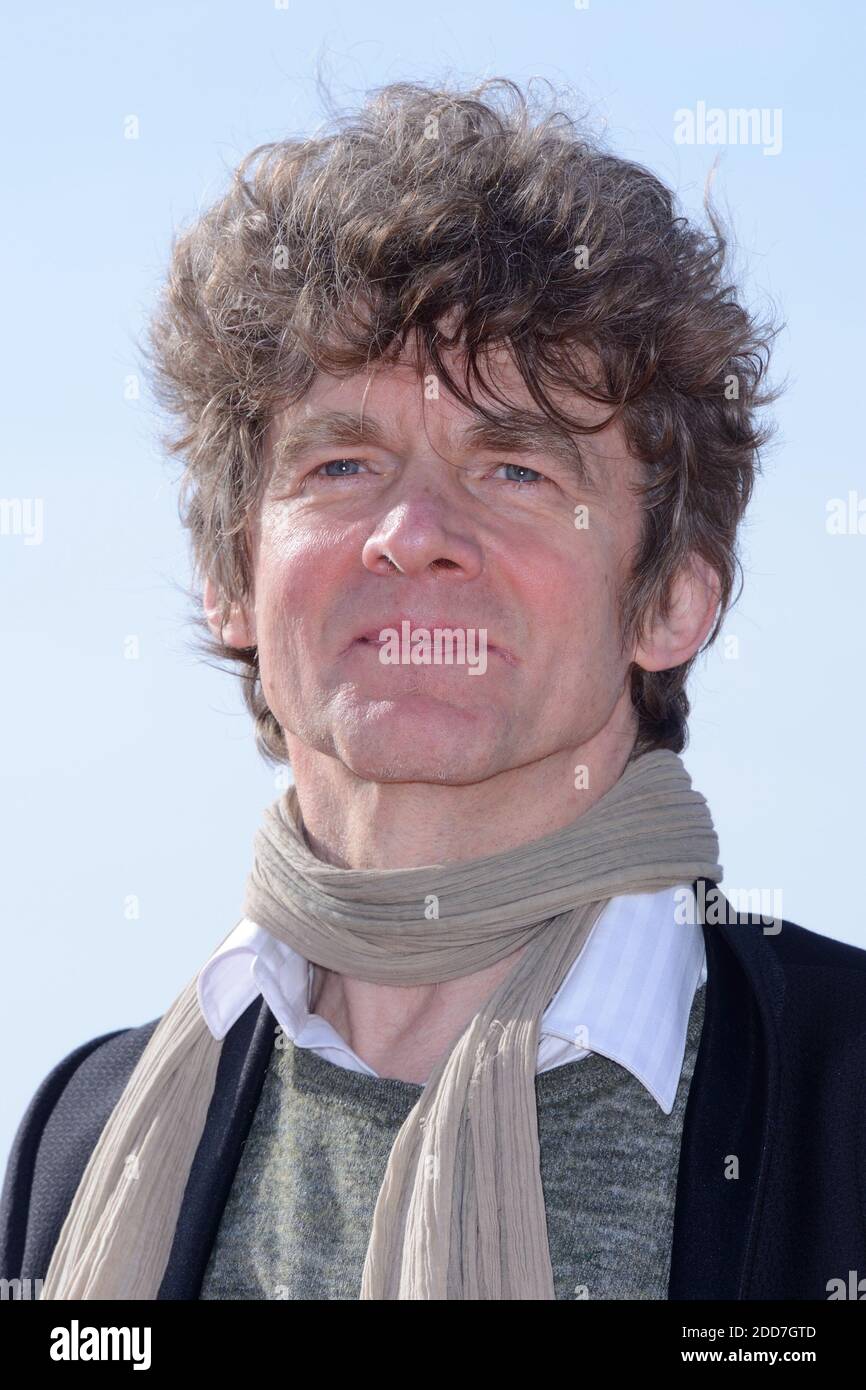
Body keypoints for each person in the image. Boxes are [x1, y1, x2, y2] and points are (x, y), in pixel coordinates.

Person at [3, 77, 865, 1302]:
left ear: (671, 597)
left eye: (513, 468)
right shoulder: (80, 1142)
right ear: (229, 581)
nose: (412, 533)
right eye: (342, 461)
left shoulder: (841, 1093)